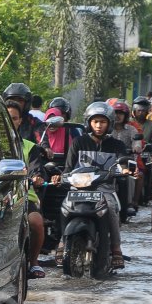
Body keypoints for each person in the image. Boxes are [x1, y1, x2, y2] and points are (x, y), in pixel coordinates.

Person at [65, 102, 131, 269]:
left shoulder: (117, 145)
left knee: (110, 208)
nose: (99, 126)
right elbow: (68, 168)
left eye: (103, 122)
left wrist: (124, 170)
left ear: (109, 123)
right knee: (65, 206)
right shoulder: (78, 142)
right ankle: (61, 243)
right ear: (89, 123)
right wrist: (61, 176)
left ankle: (116, 249)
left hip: (105, 189)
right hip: (79, 187)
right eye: (95, 122)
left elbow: (124, 162)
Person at [8, 101, 47, 279]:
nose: (10, 122)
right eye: (6, 119)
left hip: (24, 196)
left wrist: (37, 178)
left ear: (20, 121)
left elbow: (36, 170)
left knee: (36, 221)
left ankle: (33, 262)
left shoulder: (29, 147)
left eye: (14, 118)